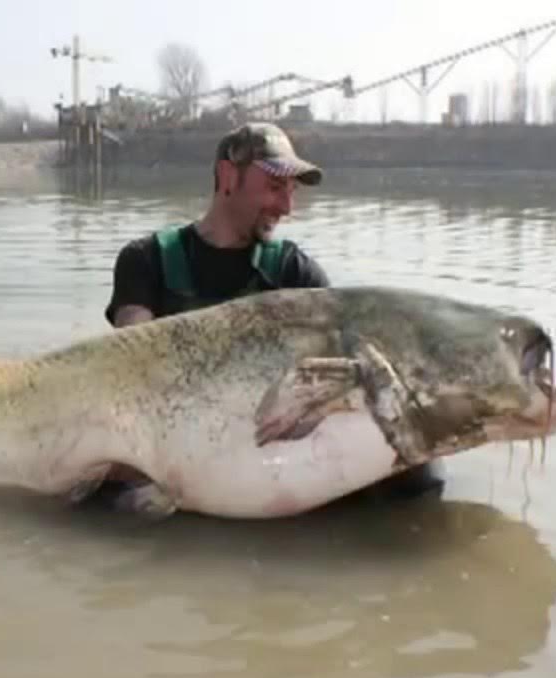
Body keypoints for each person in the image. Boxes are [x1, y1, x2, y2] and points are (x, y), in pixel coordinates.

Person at [97, 121, 445, 507]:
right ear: (228, 177)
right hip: (172, 441)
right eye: (275, 187)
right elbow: (124, 370)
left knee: (420, 470)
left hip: (265, 445)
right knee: (101, 484)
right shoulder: (147, 260)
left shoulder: (297, 273)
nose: (287, 207)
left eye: (291, 191)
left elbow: (336, 381)